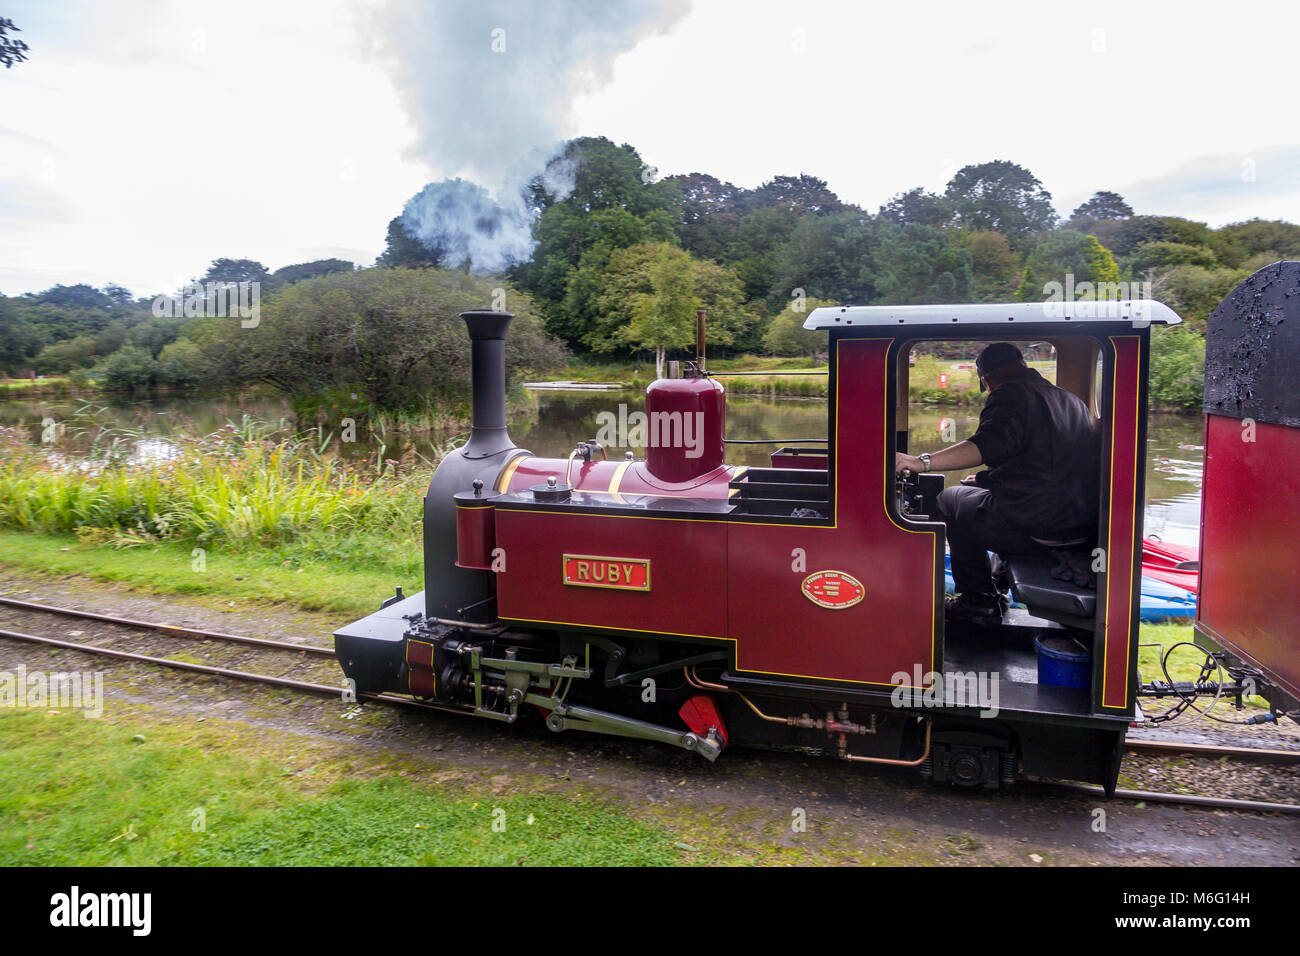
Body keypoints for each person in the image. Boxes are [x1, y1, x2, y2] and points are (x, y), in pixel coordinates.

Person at [894, 343, 1100, 625]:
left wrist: (920, 462)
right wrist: (983, 480)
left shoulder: (1011, 394)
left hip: (1036, 526)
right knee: (972, 492)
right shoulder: (1070, 400)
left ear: (987, 380)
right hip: (1075, 524)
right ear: (1023, 365)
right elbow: (1042, 462)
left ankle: (977, 601)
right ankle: (997, 582)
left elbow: (985, 445)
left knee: (950, 499)